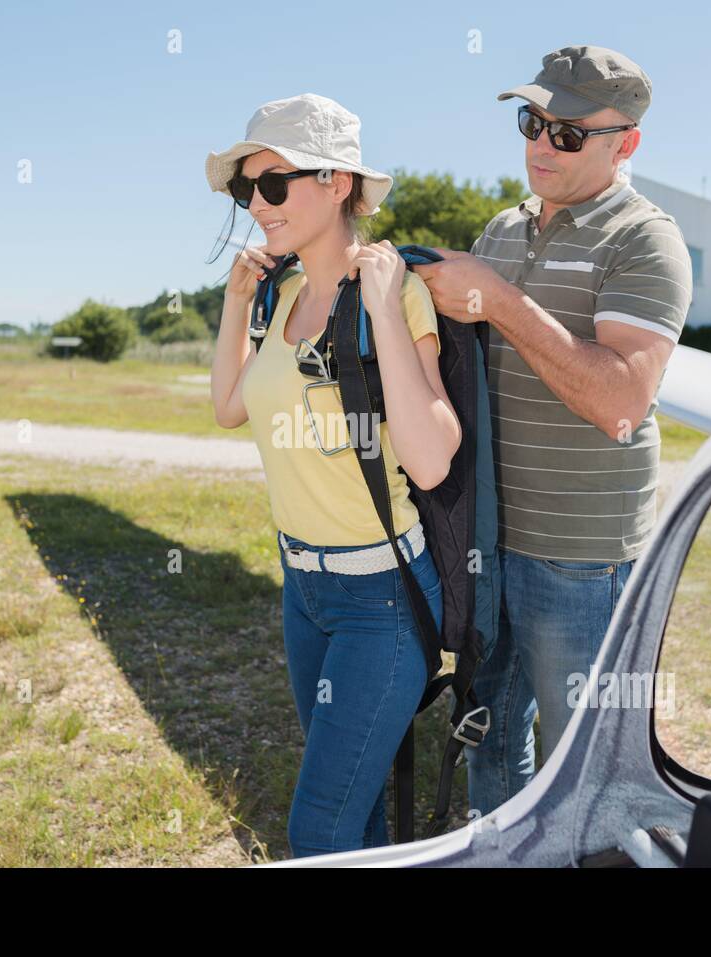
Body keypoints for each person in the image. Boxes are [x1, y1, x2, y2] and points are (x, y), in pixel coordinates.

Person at [412, 47, 693, 816]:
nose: (541, 144)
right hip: (488, 540)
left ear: (624, 142)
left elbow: (619, 402)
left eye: (567, 133)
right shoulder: (500, 230)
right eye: (531, 122)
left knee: (593, 766)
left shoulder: (646, 240)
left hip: (581, 557)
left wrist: (497, 298)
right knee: (491, 740)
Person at [205, 93, 462, 856]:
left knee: (317, 826)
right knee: (355, 814)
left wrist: (384, 306)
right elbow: (228, 406)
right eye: (245, 188)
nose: (258, 203)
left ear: (340, 183)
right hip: (303, 591)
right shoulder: (278, 294)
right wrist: (234, 303)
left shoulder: (397, 293)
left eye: (275, 183)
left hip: (380, 600)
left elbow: (432, 454)